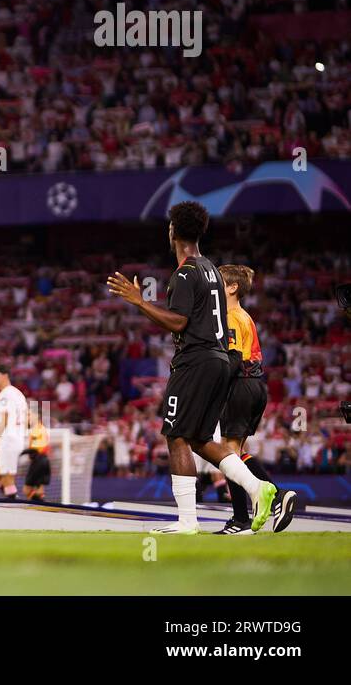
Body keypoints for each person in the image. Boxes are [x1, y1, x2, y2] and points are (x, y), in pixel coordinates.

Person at [106, 200, 276, 534]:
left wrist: (140, 301)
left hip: (195, 361)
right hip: (219, 360)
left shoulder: (184, 273)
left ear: (173, 232)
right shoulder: (212, 268)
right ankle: (258, 487)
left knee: (176, 437)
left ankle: (187, 522)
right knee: (199, 439)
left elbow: (179, 322)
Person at [214, 264, 297, 534]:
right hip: (253, 386)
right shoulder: (244, 315)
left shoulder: (231, 316)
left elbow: (234, 358)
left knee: (228, 454)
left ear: (232, 287)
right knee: (234, 453)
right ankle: (243, 517)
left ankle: (267, 502)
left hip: (240, 385)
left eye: (218, 281)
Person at [0, 366, 28, 498]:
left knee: (7, 478)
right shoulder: (18, 393)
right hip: (16, 438)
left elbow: (3, 421)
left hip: (9, 439)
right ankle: (11, 497)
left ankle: (14, 505)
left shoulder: (4, 394)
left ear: (5, 376)